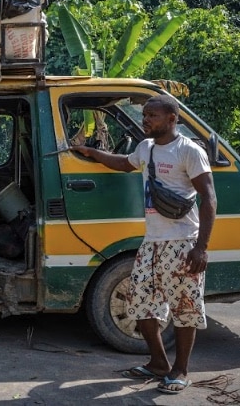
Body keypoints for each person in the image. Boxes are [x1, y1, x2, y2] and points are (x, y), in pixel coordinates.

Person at [70, 95, 216, 395]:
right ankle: (159, 363)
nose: (145, 120)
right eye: (145, 114)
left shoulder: (189, 151)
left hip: (182, 242)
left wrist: (201, 247)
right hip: (152, 242)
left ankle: (180, 370)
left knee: (184, 308)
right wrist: (91, 152)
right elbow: (124, 164)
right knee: (140, 302)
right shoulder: (145, 148)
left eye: (152, 115)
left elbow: (209, 198)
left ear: (172, 119)